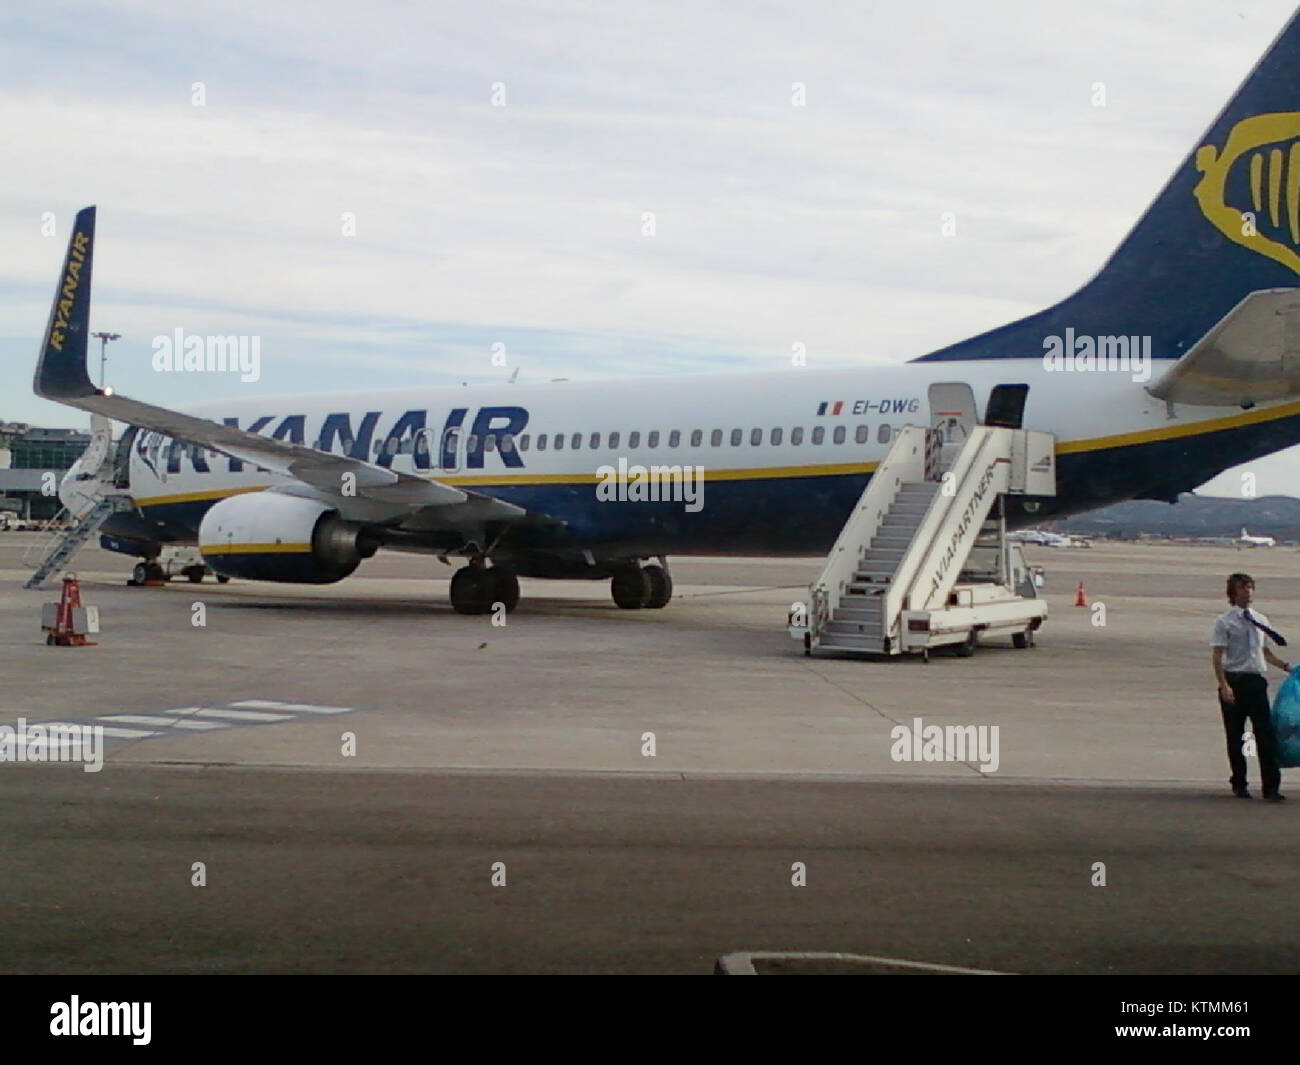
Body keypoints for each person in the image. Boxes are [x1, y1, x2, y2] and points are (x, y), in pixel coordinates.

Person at [1211, 572, 1291, 800]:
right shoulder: (1224, 622)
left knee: (1265, 735)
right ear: (1233, 593)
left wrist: (1285, 666)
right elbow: (1217, 656)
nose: (1248, 591)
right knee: (1235, 737)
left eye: (1250, 587)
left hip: (1255, 682)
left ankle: (1271, 787)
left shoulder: (1260, 620)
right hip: (1234, 680)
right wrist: (1223, 685)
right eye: (1243, 587)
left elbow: (1264, 652)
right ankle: (1239, 783)